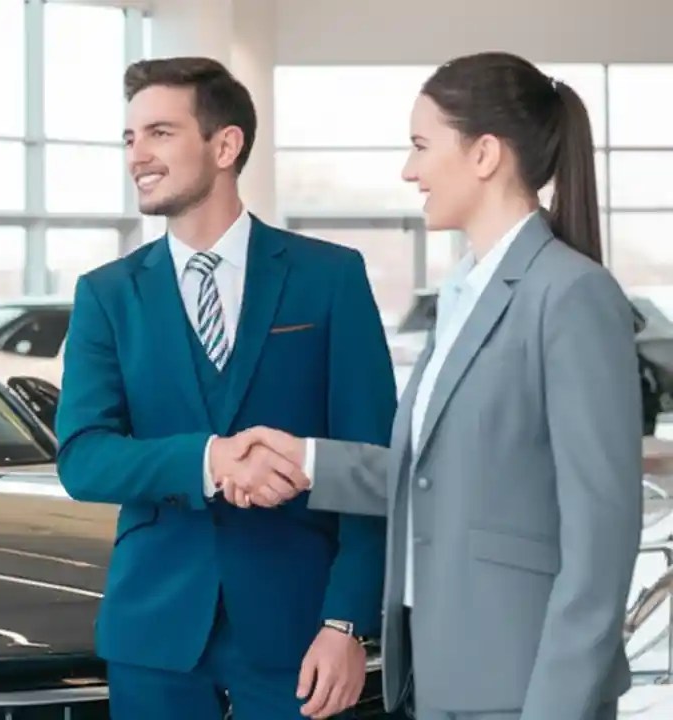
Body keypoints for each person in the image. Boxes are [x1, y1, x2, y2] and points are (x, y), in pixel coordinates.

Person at [224, 51, 643, 720]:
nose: (409, 170)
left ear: (483, 155)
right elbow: (436, 478)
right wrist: (307, 460)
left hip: (525, 691)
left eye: (421, 146)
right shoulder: (463, 294)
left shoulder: (571, 295)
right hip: (442, 678)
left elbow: (602, 538)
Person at [54, 56, 398, 720]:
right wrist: (208, 460)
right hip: (154, 633)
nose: (137, 156)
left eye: (159, 132)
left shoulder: (329, 279)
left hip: (300, 632)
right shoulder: (106, 295)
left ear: (225, 144)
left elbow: (373, 464)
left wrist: (347, 622)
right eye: (129, 138)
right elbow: (84, 456)